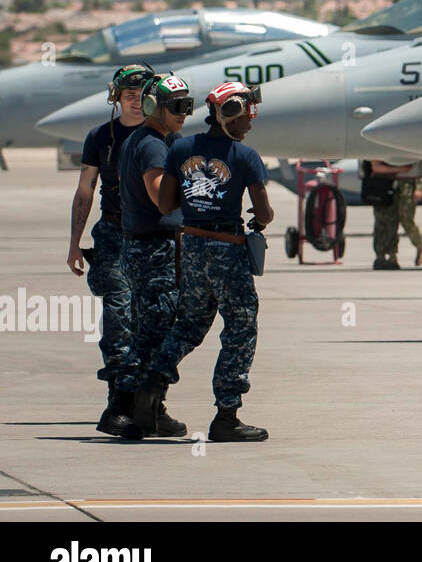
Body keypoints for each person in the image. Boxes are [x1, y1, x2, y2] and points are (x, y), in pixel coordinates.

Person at [134, 81, 276, 440]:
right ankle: (226, 416)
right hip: (228, 250)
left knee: (190, 324)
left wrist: (199, 202)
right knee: (240, 330)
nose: (250, 124)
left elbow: (166, 205)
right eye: (247, 117)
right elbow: (265, 212)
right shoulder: (246, 157)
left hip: (193, 247)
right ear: (230, 115)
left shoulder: (181, 148)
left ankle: (150, 384)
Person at [66, 63, 152, 437]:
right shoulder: (101, 137)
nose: (135, 101)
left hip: (154, 238)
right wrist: (74, 243)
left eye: (141, 95)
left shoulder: (163, 137)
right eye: (128, 95)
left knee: (155, 316)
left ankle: (151, 404)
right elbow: (86, 189)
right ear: (116, 98)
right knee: (119, 314)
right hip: (115, 235)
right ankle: (116, 403)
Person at [115, 73, 192, 437]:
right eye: (177, 107)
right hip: (153, 249)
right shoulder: (152, 146)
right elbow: (161, 197)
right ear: (155, 108)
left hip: (149, 246)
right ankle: (122, 407)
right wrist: (196, 188)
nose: (184, 114)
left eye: (187, 106)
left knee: (154, 330)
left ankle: (151, 410)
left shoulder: (147, 140)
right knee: (154, 329)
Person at [364, 159, 422, 269]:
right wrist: (400, 169)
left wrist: (419, 187)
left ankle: (417, 247)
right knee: (383, 221)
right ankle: (383, 256)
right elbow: (376, 167)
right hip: (383, 185)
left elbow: (421, 167)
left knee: (405, 218)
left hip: (405, 185)